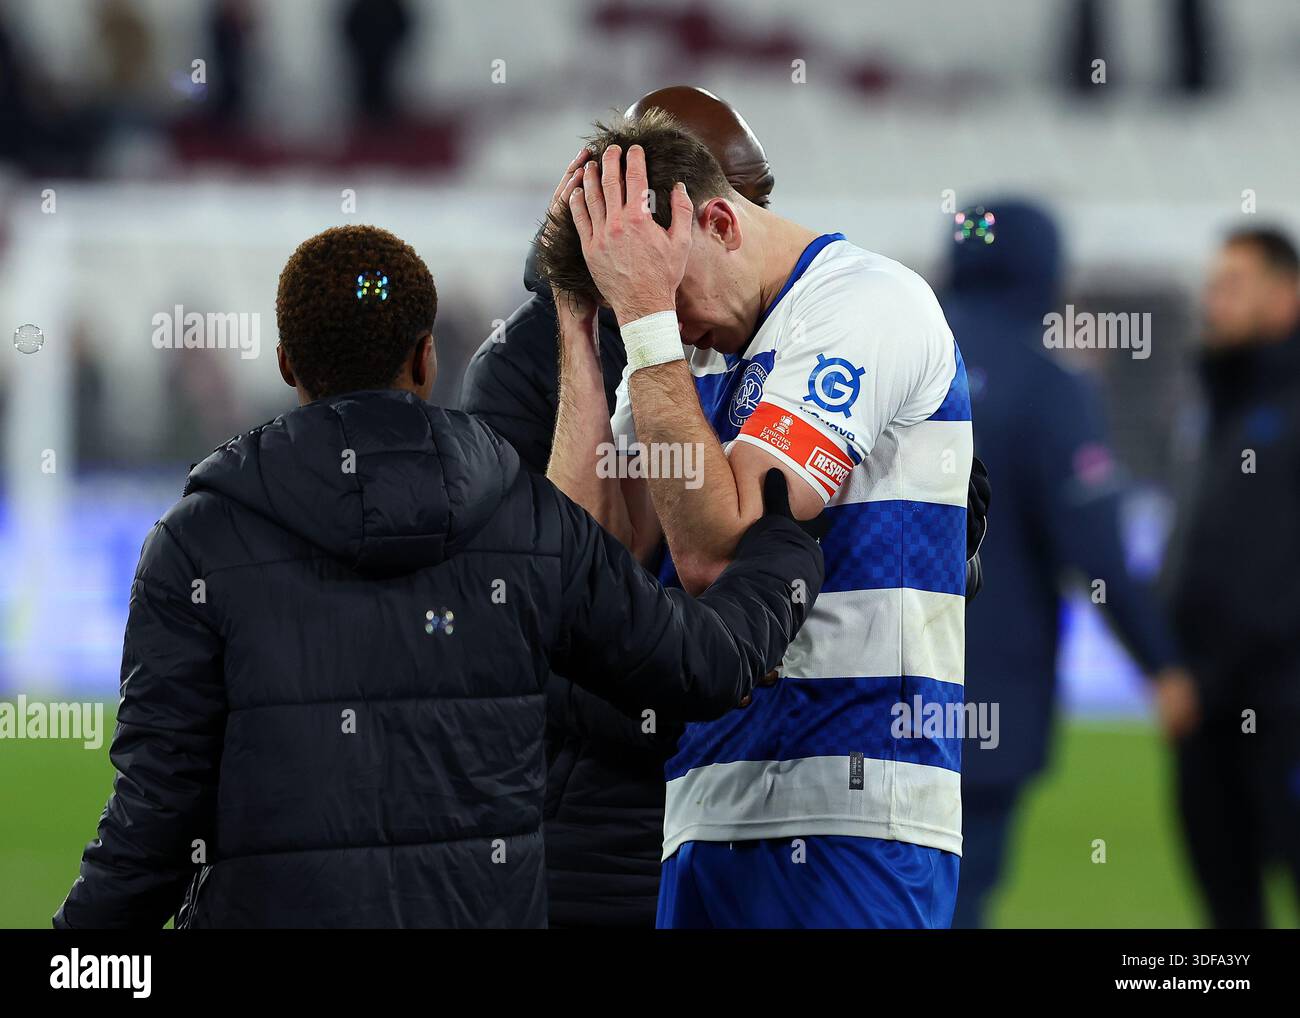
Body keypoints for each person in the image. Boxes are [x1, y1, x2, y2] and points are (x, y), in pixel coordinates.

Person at [53, 224, 824, 929]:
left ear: (287, 363)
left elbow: (155, 821)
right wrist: (782, 547)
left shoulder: (198, 543)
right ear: (427, 358)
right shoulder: (527, 520)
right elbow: (701, 666)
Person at [537, 111, 972, 928]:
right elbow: (584, 559)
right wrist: (575, 316)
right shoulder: (675, 349)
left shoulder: (867, 306)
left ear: (722, 221)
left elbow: (720, 549)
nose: (673, 325)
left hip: (855, 807)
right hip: (703, 802)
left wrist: (645, 321)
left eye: (669, 292)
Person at [461, 85, 776, 928]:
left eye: (760, 204)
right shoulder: (526, 367)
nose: (744, 229)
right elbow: (550, 593)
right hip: (600, 804)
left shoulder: (793, 330)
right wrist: (579, 318)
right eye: (728, 204)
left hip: (764, 786)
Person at [942, 199, 1194, 928]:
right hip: (983, 698)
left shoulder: (870, 361)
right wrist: (1162, 666)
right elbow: (1098, 552)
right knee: (956, 895)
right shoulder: (1048, 386)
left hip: (850, 693)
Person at [1165, 226, 1300, 927]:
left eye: (1232, 286)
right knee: (1228, 916)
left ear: (1287, 299)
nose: (1211, 301)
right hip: (1205, 711)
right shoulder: (1219, 398)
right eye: (1211, 284)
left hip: (1283, 708)